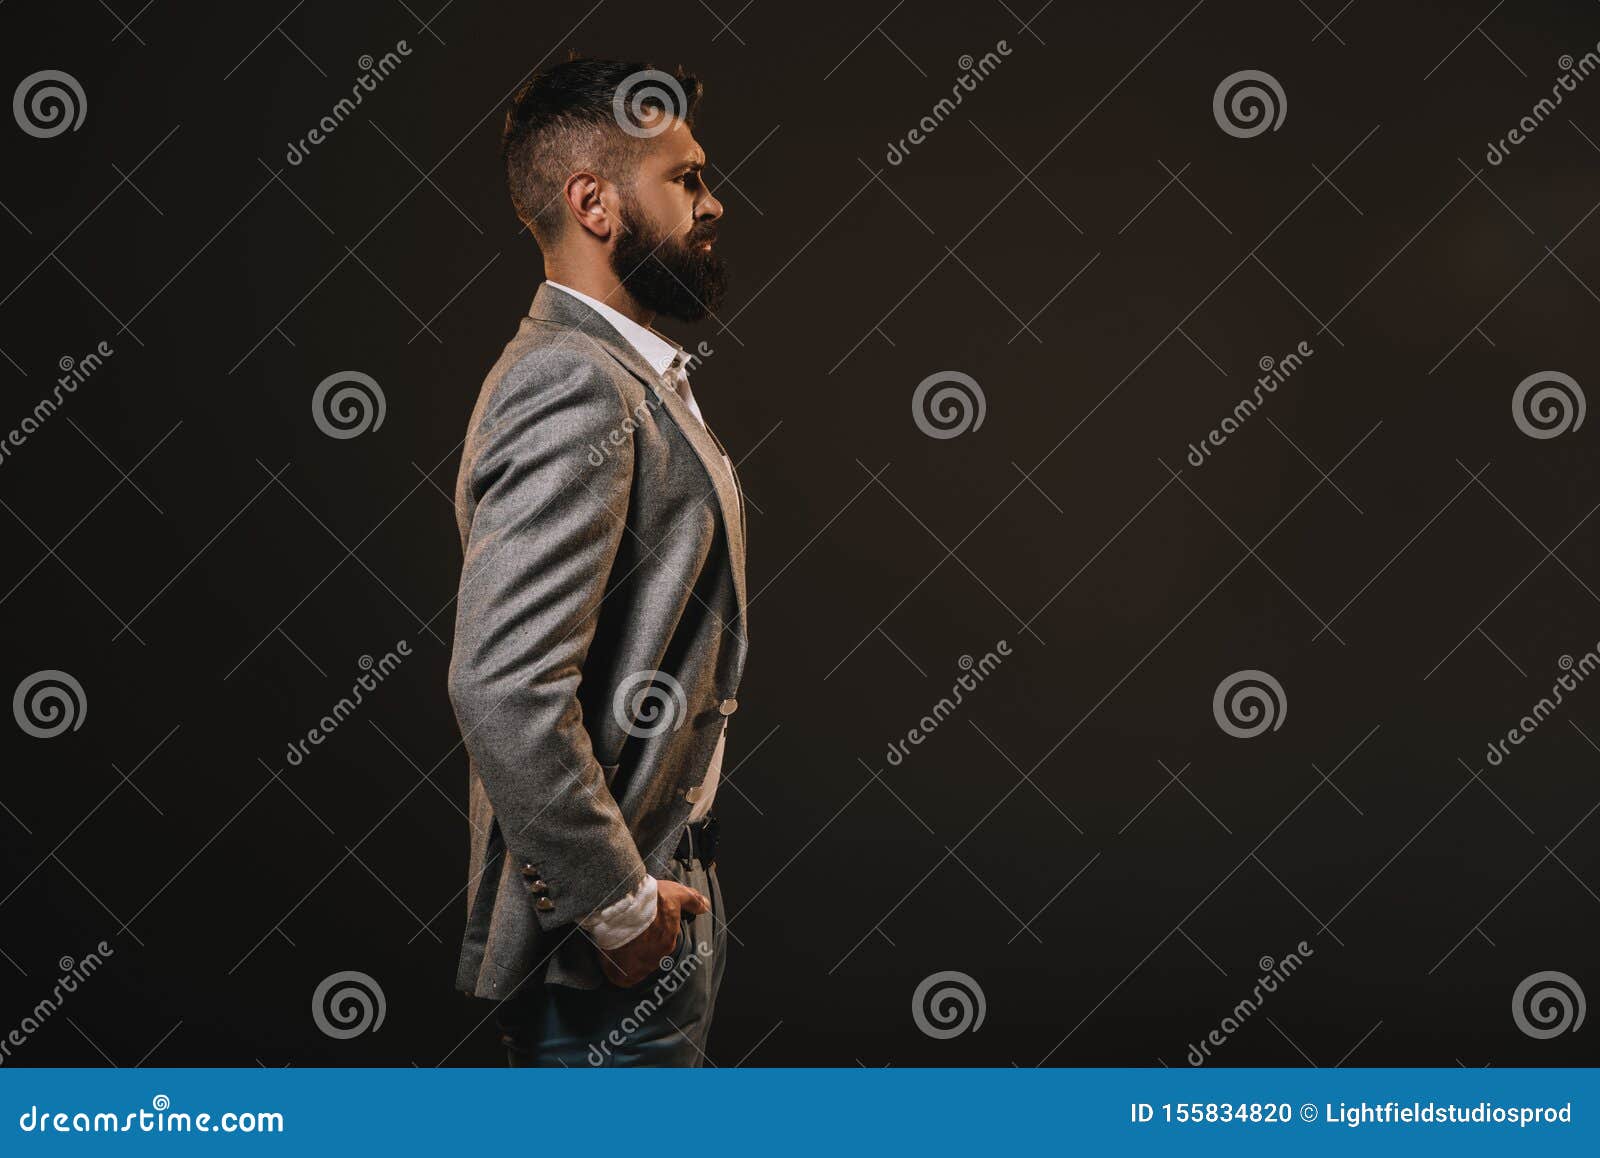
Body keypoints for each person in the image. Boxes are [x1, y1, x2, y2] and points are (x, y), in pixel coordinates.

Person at [446, 57, 746, 1067]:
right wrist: (621, 914)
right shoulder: (573, 385)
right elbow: (503, 685)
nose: (713, 202)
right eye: (686, 178)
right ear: (595, 202)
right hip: (607, 957)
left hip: (659, 914)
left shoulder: (621, 374)